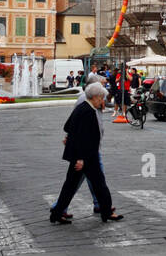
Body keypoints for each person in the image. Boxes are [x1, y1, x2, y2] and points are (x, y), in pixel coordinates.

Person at [51, 82, 122, 224]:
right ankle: (106, 212)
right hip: (86, 157)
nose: (102, 102)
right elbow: (85, 138)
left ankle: (57, 214)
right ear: (95, 97)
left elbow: (68, 127)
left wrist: (70, 139)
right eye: (101, 98)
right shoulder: (88, 112)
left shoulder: (81, 108)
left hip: (81, 156)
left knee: (71, 185)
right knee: (99, 185)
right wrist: (81, 159)